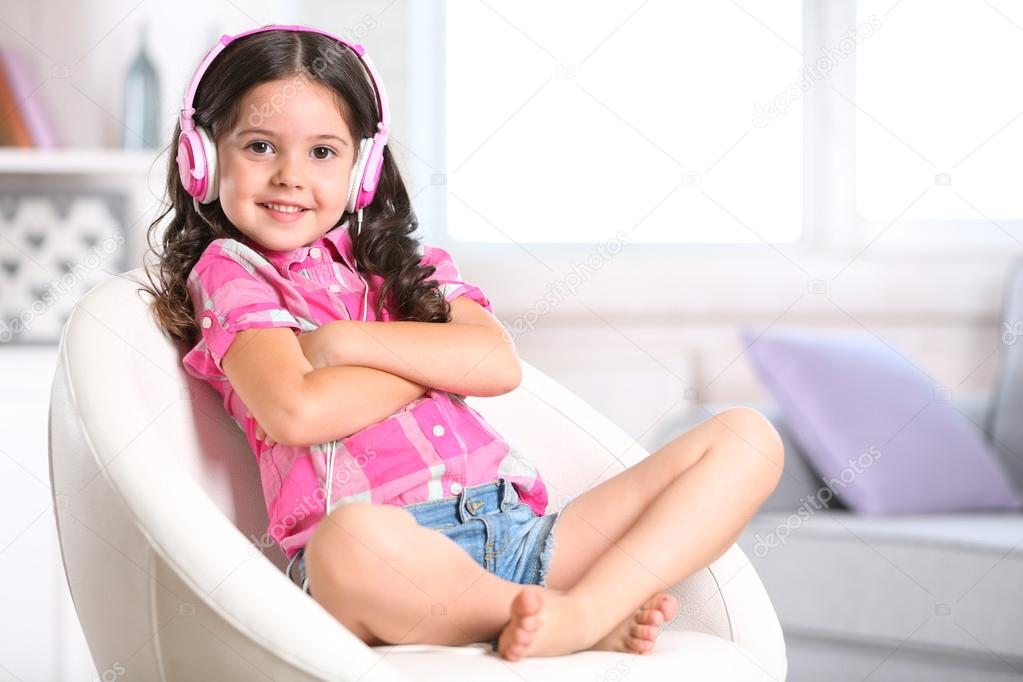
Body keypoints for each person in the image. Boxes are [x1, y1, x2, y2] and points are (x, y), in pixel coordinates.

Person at [139, 24, 785, 662]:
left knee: (746, 439)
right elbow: (298, 410)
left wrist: (342, 342)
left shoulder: (395, 264)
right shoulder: (230, 272)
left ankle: (581, 612)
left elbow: (495, 363)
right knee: (345, 542)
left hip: (521, 534)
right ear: (201, 155)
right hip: (396, 560)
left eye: (322, 152)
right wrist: (438, 364)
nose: (289, 176)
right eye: (258, 146)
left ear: (362, 168)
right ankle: (527, 616)